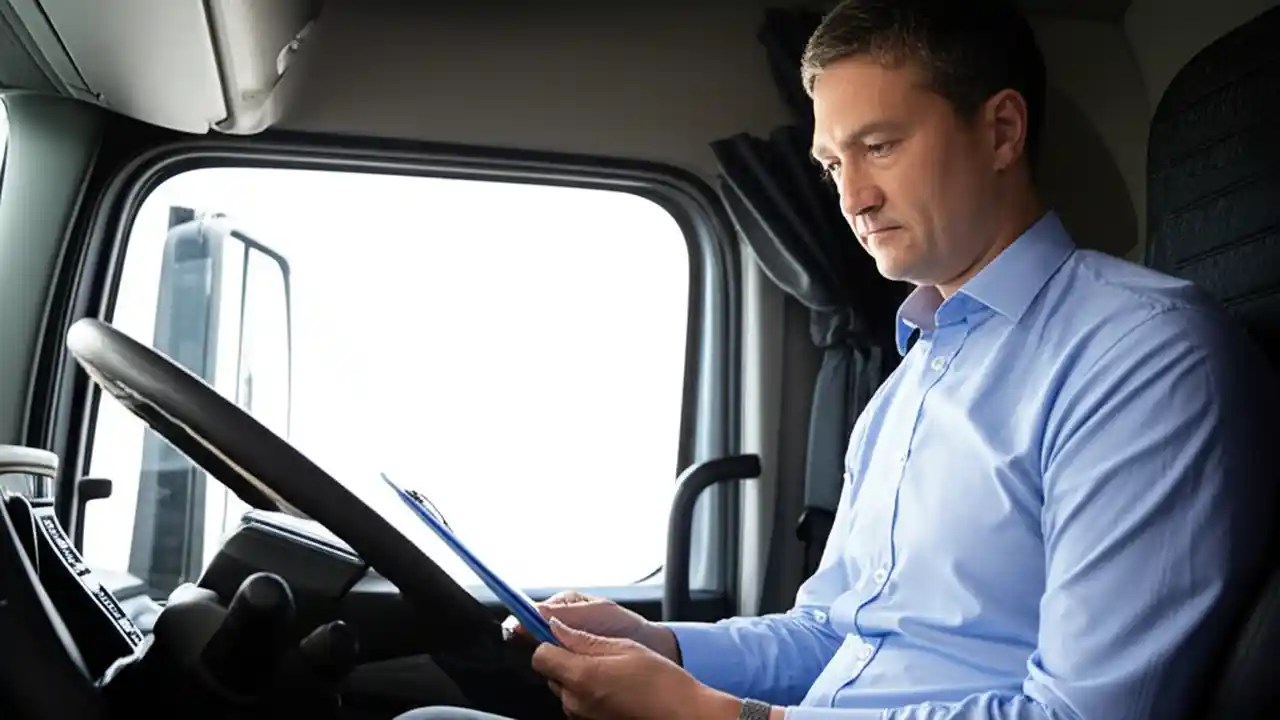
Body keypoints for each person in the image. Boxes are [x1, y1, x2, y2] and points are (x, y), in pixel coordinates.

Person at [400, 0, 1277, 718]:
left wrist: (718, 717)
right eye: (831, 163)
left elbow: (1080, 718)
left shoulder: (1139, 355)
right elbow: (834, 634)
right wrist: (659, 644)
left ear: (1002, 129)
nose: (853, 197)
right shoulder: (912, 380)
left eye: (881, 146)